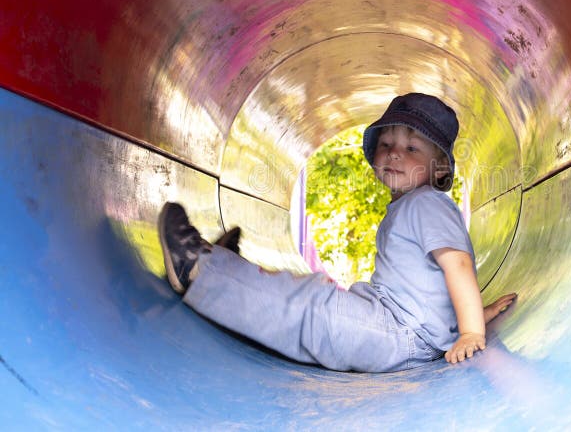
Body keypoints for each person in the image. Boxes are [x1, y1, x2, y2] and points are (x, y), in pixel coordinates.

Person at [158, 92, 516, 372]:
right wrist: (472, 317)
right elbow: (434, 289)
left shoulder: (427, 204)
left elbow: (458, 265)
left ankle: (202, 270)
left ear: (439, 168)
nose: (394, 154)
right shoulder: (413, 206)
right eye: (387, 144)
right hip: (400, 329)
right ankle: (231, 274)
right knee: (311, 299)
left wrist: (471, 332)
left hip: (398, 334)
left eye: (411, 148)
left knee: (313, 307)